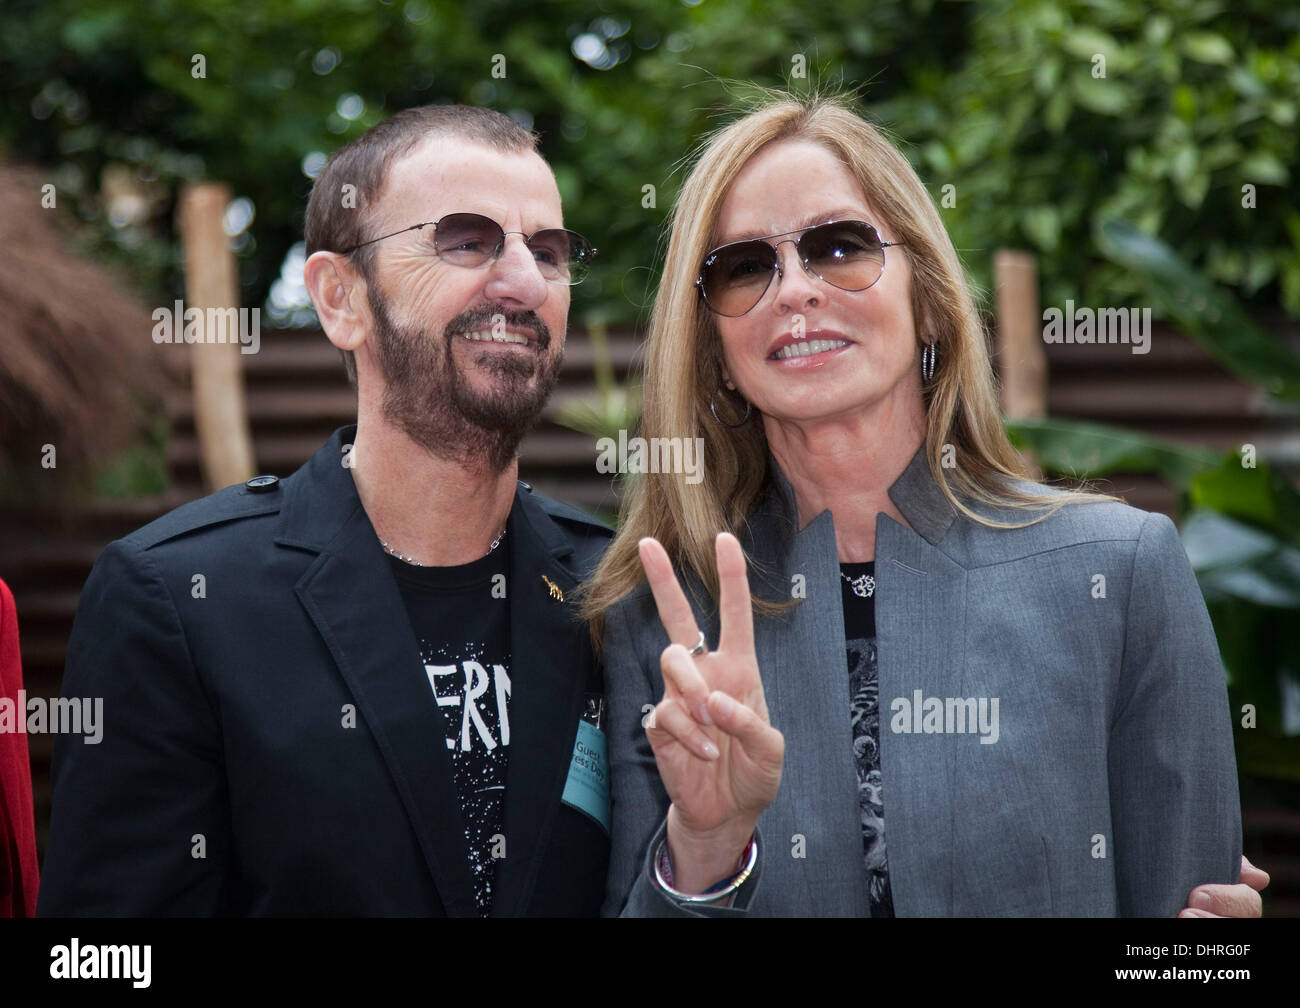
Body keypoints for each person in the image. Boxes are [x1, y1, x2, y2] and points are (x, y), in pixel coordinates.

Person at [588, 90, 1257, 917]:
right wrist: (706, 848)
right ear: (717, 353)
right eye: (745, 267)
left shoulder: (1119, 573)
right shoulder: (661, 618)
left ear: (931, 303)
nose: (794, 289)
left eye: (840, 246)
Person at [37, 105, 612, 916]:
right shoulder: (179, 600)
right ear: (340, 299)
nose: (523, 282)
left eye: (547, 252)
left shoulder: (615, 589)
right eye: (467, 240)